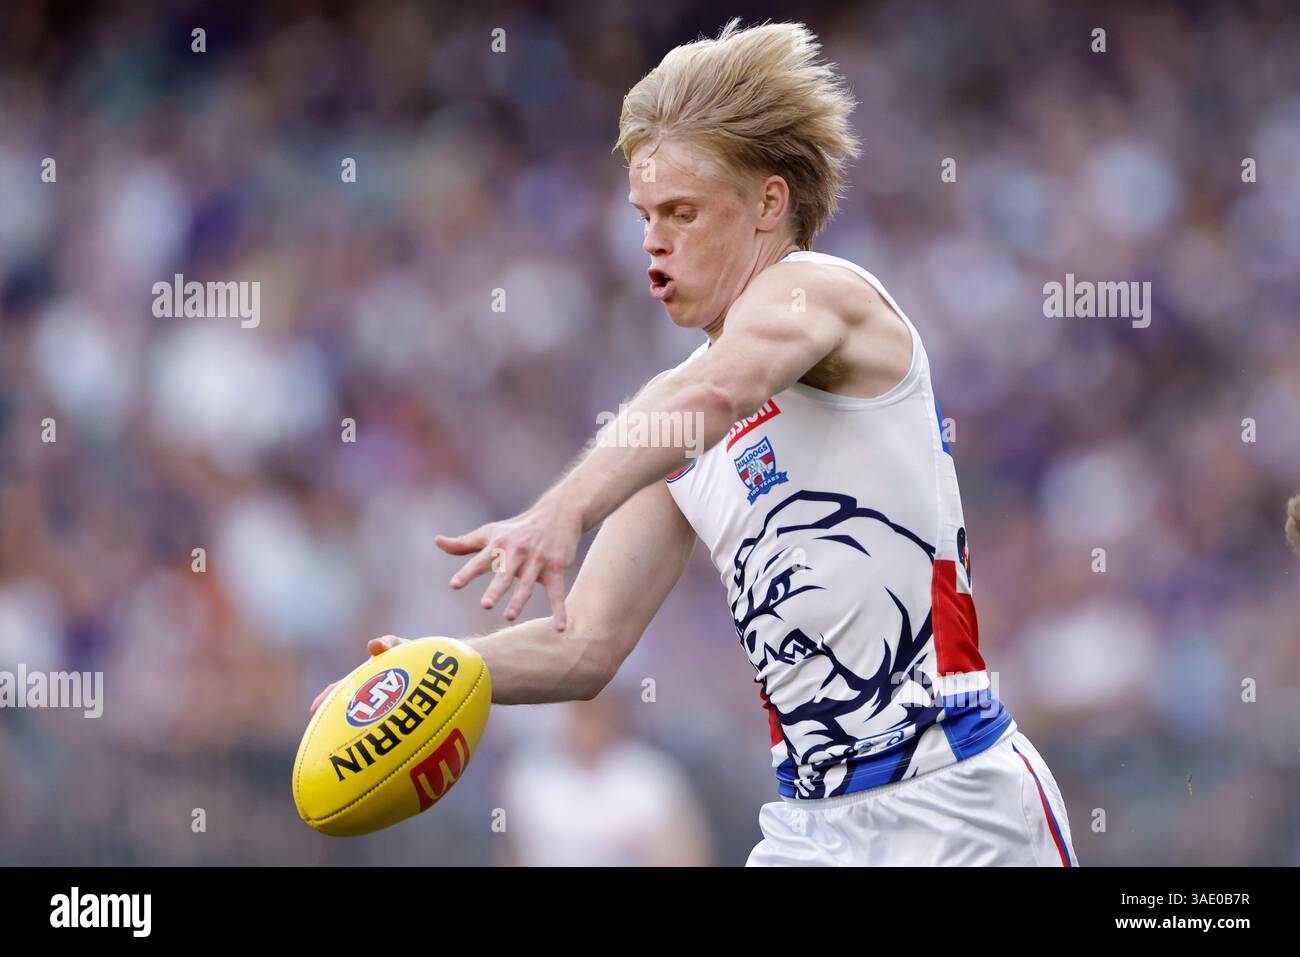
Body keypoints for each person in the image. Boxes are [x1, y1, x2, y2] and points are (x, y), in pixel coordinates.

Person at [314, 19, 1077, 866]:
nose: (652, 239)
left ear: (769, 204)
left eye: (682, 212)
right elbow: (585, 644)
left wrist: (561, 509)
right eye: (645, 214)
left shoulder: (824, 294)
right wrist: (440, 672)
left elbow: (714, 392)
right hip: (812, 828)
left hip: (959, 804)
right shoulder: (667, 426)